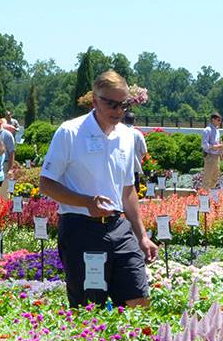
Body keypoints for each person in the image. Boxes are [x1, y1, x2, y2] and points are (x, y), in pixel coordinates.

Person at [39, 70, 158, 308]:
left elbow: (128, 190)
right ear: (95, 101)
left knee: (138, 300)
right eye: (111, 104)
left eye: (123, 105)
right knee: (89, 308)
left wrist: (142, 236)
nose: (118, 111)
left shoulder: (127, 135)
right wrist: (86, 202)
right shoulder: (70, 132)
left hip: (118, 227)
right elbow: (46, 184)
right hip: (80, 229)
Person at [200, 113, 223, 191]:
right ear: (213, 119)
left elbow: (218, 142)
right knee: (207, 177)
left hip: (217, 156)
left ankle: (211, 195)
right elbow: (204, 144)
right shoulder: (207, 130)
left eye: (220, 120)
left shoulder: (217, 130)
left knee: (215, 177)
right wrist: (216, 147)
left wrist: (221, 150)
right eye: (218, 120)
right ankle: (204, 197)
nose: (220, 122)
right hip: (210, 156)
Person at [0, 114, 16, 179]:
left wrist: (10, 169)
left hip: (5, 164)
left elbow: (11, 152)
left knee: (3, 187)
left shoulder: (7, 134)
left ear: (0, 124)